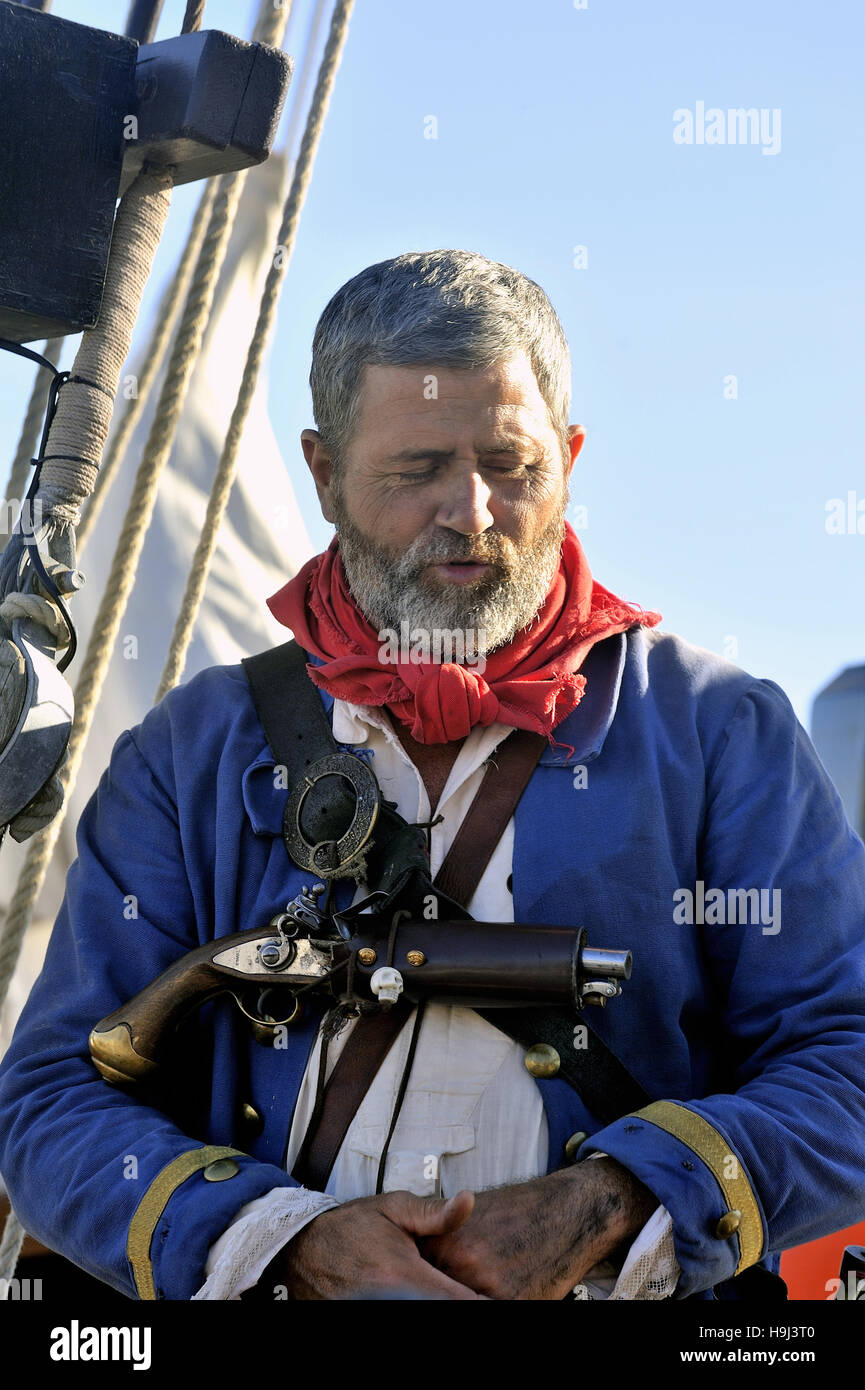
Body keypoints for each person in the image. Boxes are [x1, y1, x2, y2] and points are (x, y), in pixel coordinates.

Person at [1, 249, 864, 1302]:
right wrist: (276, 1242)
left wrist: (613, 1201)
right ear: (323, 474)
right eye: (416, 470)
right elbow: (50, 1097)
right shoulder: (197, 748)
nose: (472, 511)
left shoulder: (720, 732)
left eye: (511, 464)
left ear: (572, 457)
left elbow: (847, 1062)